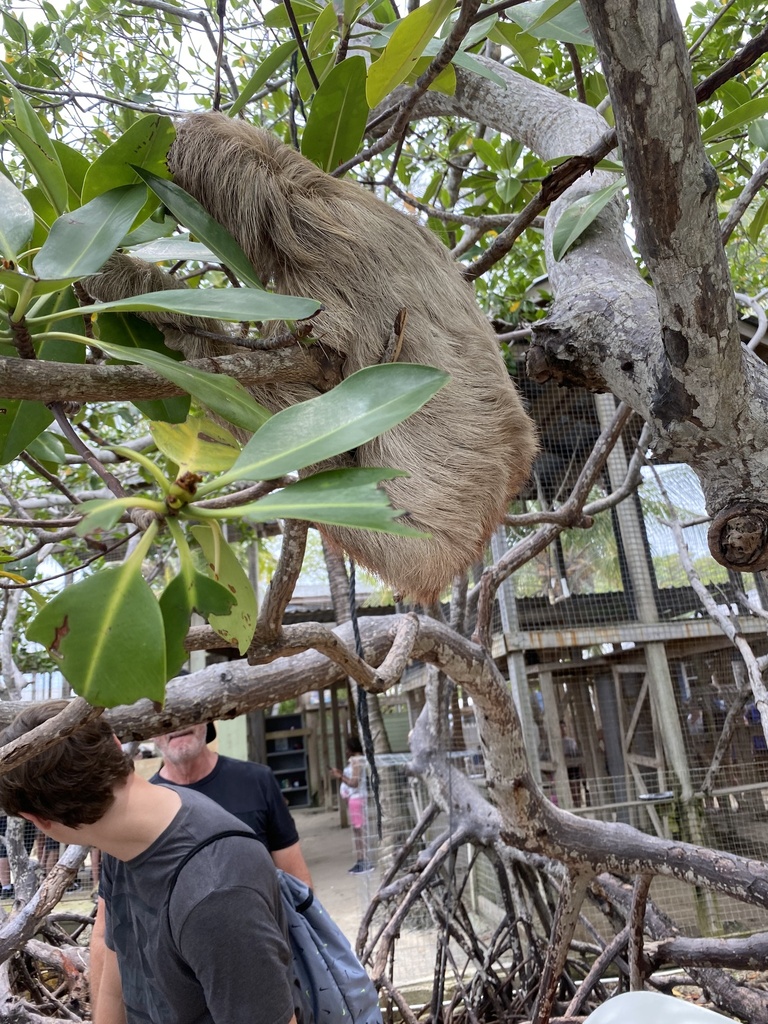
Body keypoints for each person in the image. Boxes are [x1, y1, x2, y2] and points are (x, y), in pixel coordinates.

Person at [0, 701, 306, 1024]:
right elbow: (116, 979)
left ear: (40, 821)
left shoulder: (215, 891)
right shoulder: (121, 842)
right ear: (116, 745)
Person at [91, 718, 312, 1016]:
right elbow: (107, 930)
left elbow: (298, 886)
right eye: (165, 718)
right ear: (152, 733)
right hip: (178, 990)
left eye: (187, 713)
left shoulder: (256, 780)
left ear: (208, 720)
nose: (176, 724)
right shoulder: (139, 808)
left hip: (262, 974)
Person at [331, 736, 371, 874]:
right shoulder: (355, 761)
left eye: (347, 748)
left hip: (357, 798)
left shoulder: (356, 761)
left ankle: (364, 860)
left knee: (360, 831)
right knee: (357, 831)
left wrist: (340, 776)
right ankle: (360, 860)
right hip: (354, 799)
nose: (346, 751)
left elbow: (354, 783)